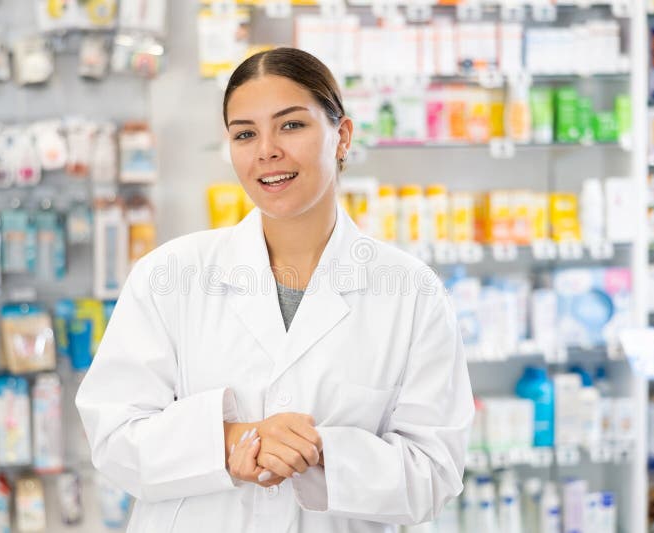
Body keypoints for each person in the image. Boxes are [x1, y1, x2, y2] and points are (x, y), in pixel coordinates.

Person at [75, 47, 474, 533]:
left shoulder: (411, 293)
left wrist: (321, 453)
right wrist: (230, 441)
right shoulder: (168, 276)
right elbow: (114, 435)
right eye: (245, 133)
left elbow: (434, 472)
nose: (266, 150)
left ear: (342, 137)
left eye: (291, 125)